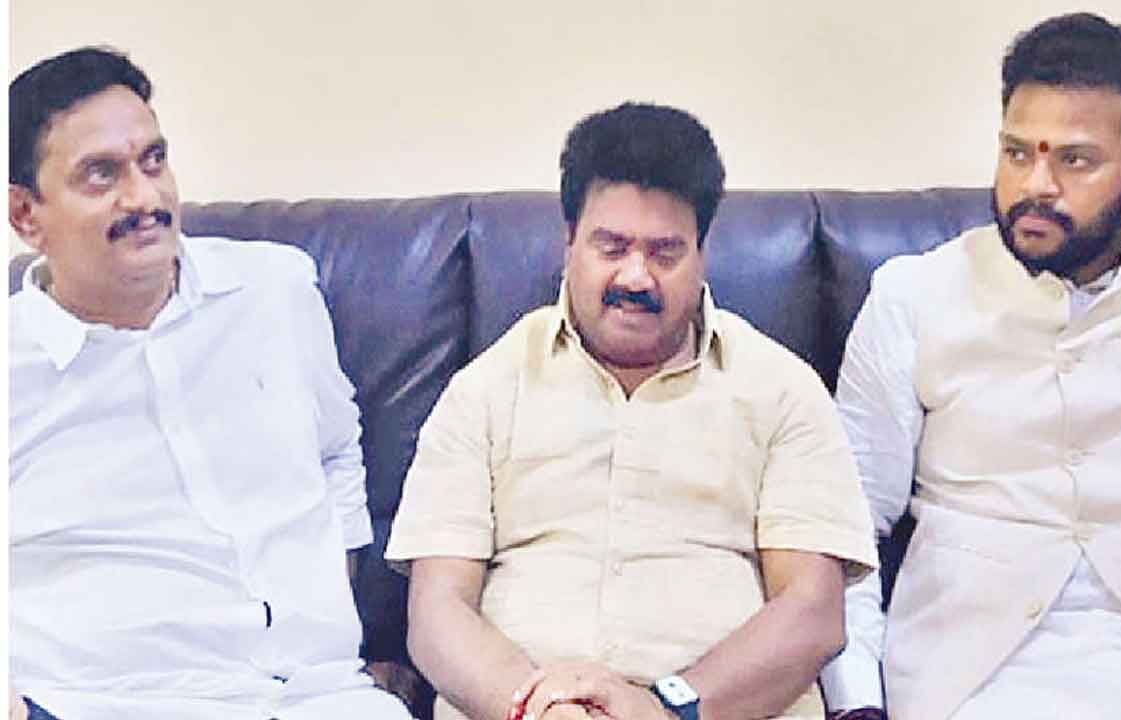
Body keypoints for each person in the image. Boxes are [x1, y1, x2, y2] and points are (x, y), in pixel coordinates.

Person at [384, 101, 878, 720]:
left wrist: (667, 710)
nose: (636, 277)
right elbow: (437, 612)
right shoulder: (485, 389)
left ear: (703, 251)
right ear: (569, 241)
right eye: (611, 247)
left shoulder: (781, 390)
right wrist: (540, 710)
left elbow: (813, 612)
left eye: (665, 252)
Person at [8, 47, 412, 720]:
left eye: (154, 161)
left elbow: (338, 451)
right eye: (101, 175)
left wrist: (330, 604)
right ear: (26, 215)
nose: (144, 198)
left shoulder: (275, 289)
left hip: (318, 698)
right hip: (100, 703)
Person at [819, 12, 1121, 720]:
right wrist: (857, 705)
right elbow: (840, 534)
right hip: (976, 680)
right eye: (1017, 153)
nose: (1037, 185)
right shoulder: (915, 296)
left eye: (1075, 161)